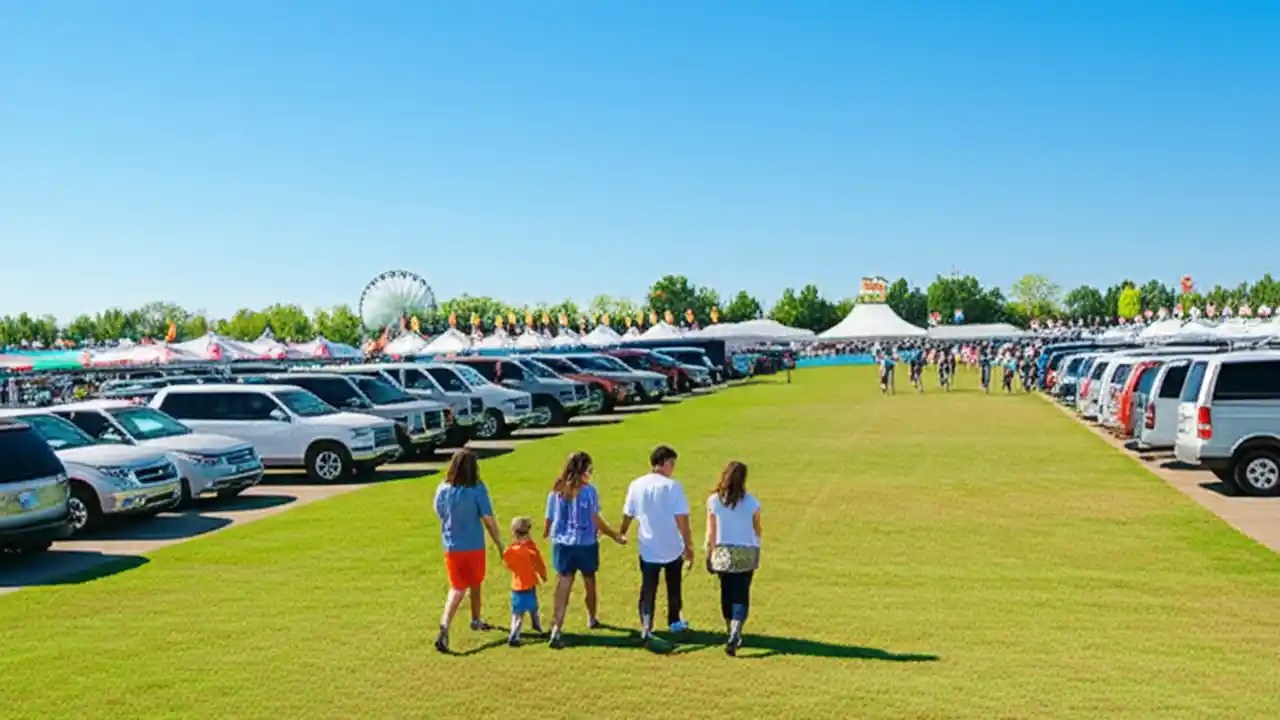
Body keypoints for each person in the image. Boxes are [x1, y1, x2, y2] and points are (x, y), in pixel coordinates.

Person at [543, 451, 626, 650]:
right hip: (586, 543)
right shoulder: (589, 492)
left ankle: (557, 627)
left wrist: (547, 532)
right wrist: (614, 535)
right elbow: (595, 519)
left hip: (563, 544)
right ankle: (591, 617)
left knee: (563, 584)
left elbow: (549, 518)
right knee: (589, 582)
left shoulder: (556, 491)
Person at [619, 445, 694, 645]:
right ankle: (674, 620)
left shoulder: (636, 484)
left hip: (648, 546)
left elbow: (628, 513)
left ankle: (646, 623)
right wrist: (689, 545)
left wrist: (622, 532)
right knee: (674, 585)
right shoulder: (672, 486)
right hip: (671, 545)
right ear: (666, 463)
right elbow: (682, 519)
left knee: (648, 587)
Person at [432, 449, 504, 654]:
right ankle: (461, 622)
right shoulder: (477, 489)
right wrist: (499, 543)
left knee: (463, 584)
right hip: (473, 545)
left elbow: (438, 511)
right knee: (469, 583)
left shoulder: (443, 488)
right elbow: (488, 519)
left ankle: (463, 621)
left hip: (452, 546)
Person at [704, 461, 762, 657]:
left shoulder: (714, 501)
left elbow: (711, 532)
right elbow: (757, 529)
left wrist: (708, 553)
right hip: (746, 551)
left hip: (723, 552)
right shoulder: (752, 502)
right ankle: (736, 630)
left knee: (726, 592)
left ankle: (730, 628)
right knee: (741, 593)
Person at [502, 516, 547, 646]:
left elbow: (507, 562)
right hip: (528, 586)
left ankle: (520, 631)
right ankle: (515, 635)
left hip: (516, 587)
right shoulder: (530, 550)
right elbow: (538, 563)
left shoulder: (511, 549)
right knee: (530, 609)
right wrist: (542, 575)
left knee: (516, 614)